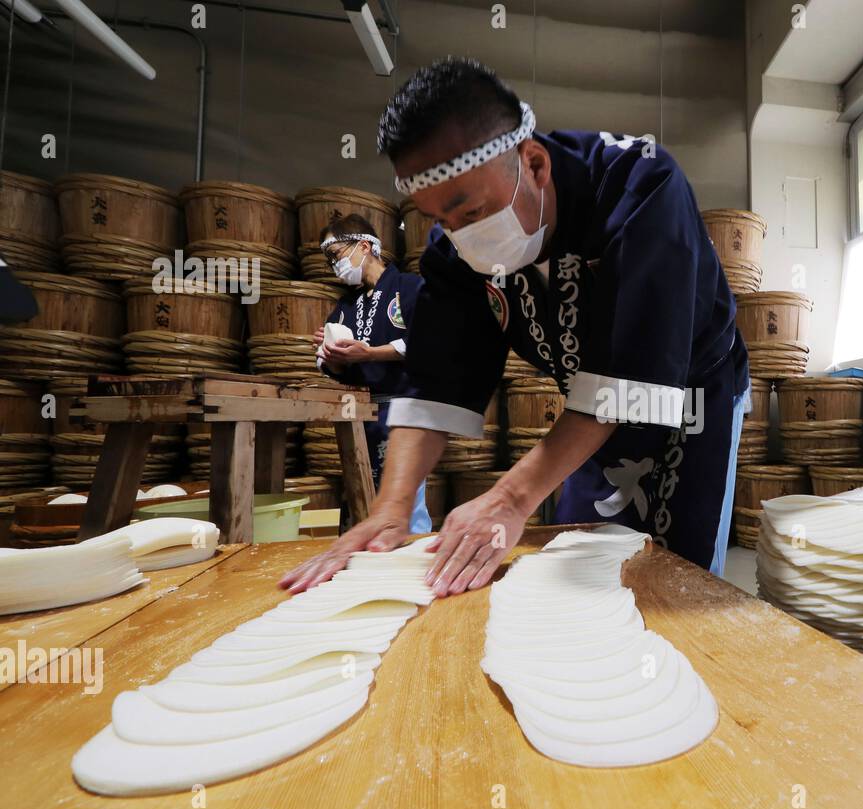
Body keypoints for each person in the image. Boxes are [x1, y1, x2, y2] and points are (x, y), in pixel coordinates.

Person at [282, 57, 749, 597]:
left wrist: (509, 498)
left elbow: (631, 380)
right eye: (440, 219)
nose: (459, 235)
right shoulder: (454, 250)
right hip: (588, 406)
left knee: (675, 579)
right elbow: (435, 378)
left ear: (534, 164)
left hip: (693, 393)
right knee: (579, 558)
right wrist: (390, 511)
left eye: (471, 211)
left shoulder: (640, 186)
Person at [314, 214, 431, 534]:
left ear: (364, 246)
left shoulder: (409, 287)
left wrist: (369, 352)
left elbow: (428, 342)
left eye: (336, 256)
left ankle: (410, 567)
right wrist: (333, 354)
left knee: (405, 500)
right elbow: (330, 366)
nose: (334, 266)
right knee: (363, 498)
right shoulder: (346, 306)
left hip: (404, 408)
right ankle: (369, 569)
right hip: (360, 412)